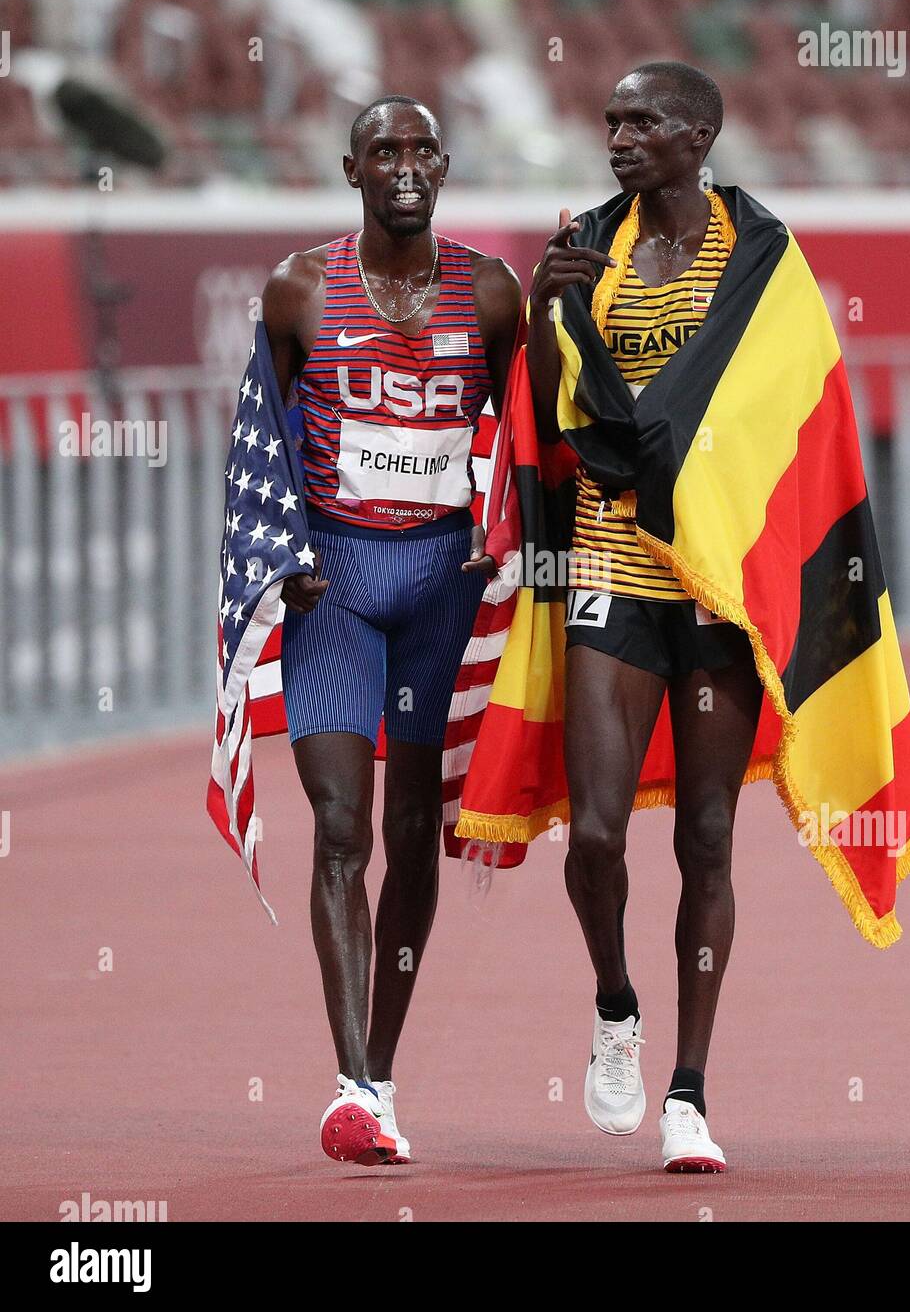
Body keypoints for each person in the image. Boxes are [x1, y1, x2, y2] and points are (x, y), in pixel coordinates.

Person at [261, 95, 520, 1164]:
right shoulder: (299, 290)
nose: (403, 166)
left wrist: (505, 544)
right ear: (351, 168)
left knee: (412, 836)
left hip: (440, 595)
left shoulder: (492, 293)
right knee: (339, 829)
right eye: (384, 152)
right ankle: (348, 1082)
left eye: (420, 151)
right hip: (338, 591)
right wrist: (281, 558)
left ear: (445, 166)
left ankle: (383, 1070)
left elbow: (521, 441)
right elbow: (259, 444)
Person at [525, 62, 762, 1173]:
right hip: (614, 558)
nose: (620, 137)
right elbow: (549, 417)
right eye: (610, 120)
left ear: (700, 134)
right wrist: (544, 307)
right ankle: (616, 1004)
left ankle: (689, 1093)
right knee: (600, 834)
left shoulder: (758, 253)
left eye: (643, 120)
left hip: (716, 583)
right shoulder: (591, 246)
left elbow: (789, 410)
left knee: (706, 835)